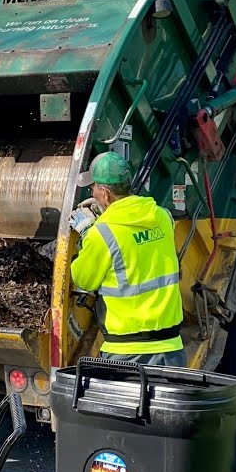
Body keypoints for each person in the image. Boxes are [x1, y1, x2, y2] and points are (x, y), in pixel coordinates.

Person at [69, 151, 186, 367]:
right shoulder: (162, 217)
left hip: (126, 352)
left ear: (105, 193)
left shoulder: (101, 234)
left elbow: (83, 280)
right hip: (170, 347)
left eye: (92, 188)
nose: (92, 193)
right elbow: (136, 246)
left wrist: (87, 233)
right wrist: (105, 217)